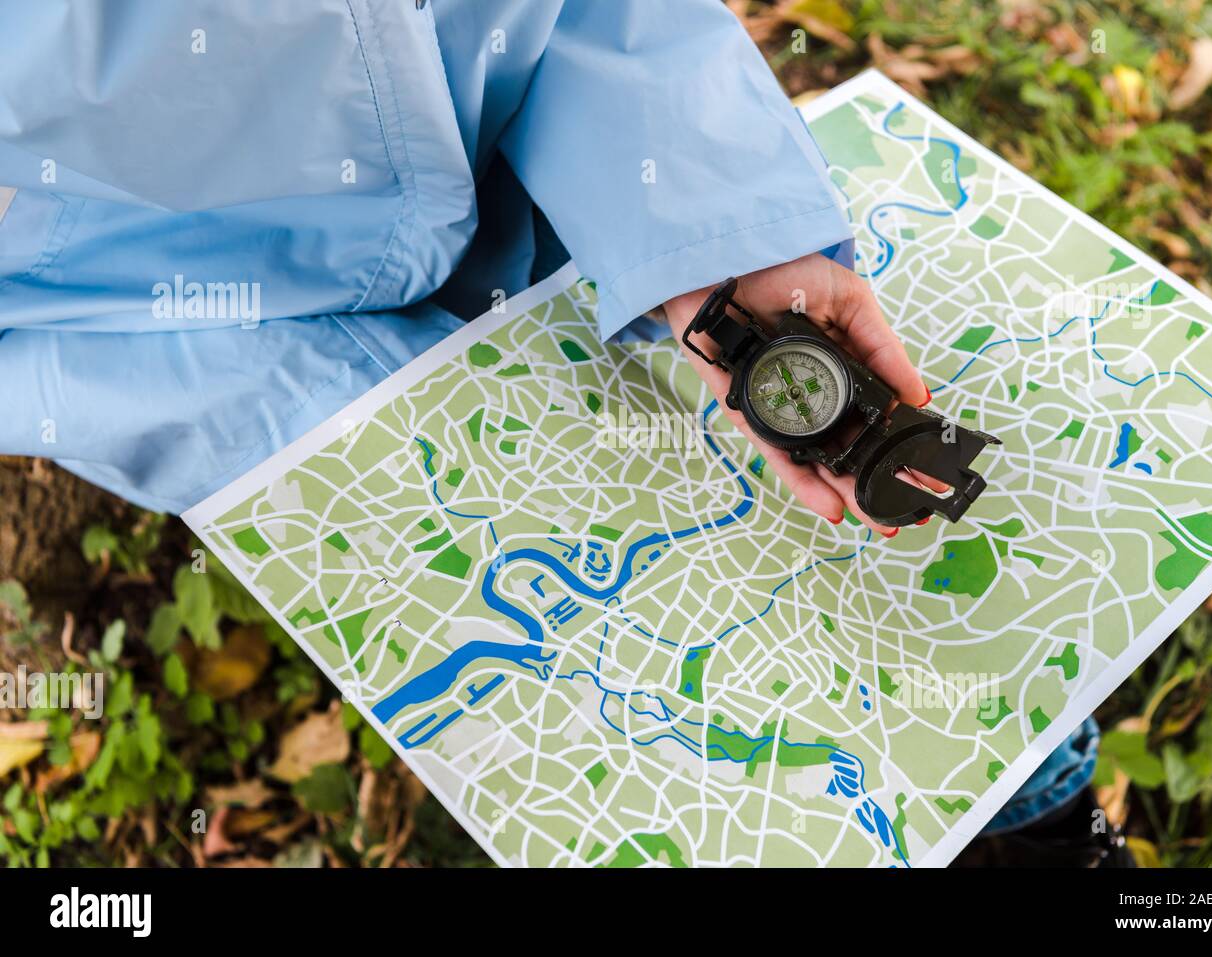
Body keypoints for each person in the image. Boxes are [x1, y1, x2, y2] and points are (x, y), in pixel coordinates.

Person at [0, 0, 1112, 863]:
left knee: (875, 580)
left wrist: (724, 240)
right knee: (654, 679)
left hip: (555, 203)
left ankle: (1042, 814)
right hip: (164, 333)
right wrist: (326, 437)